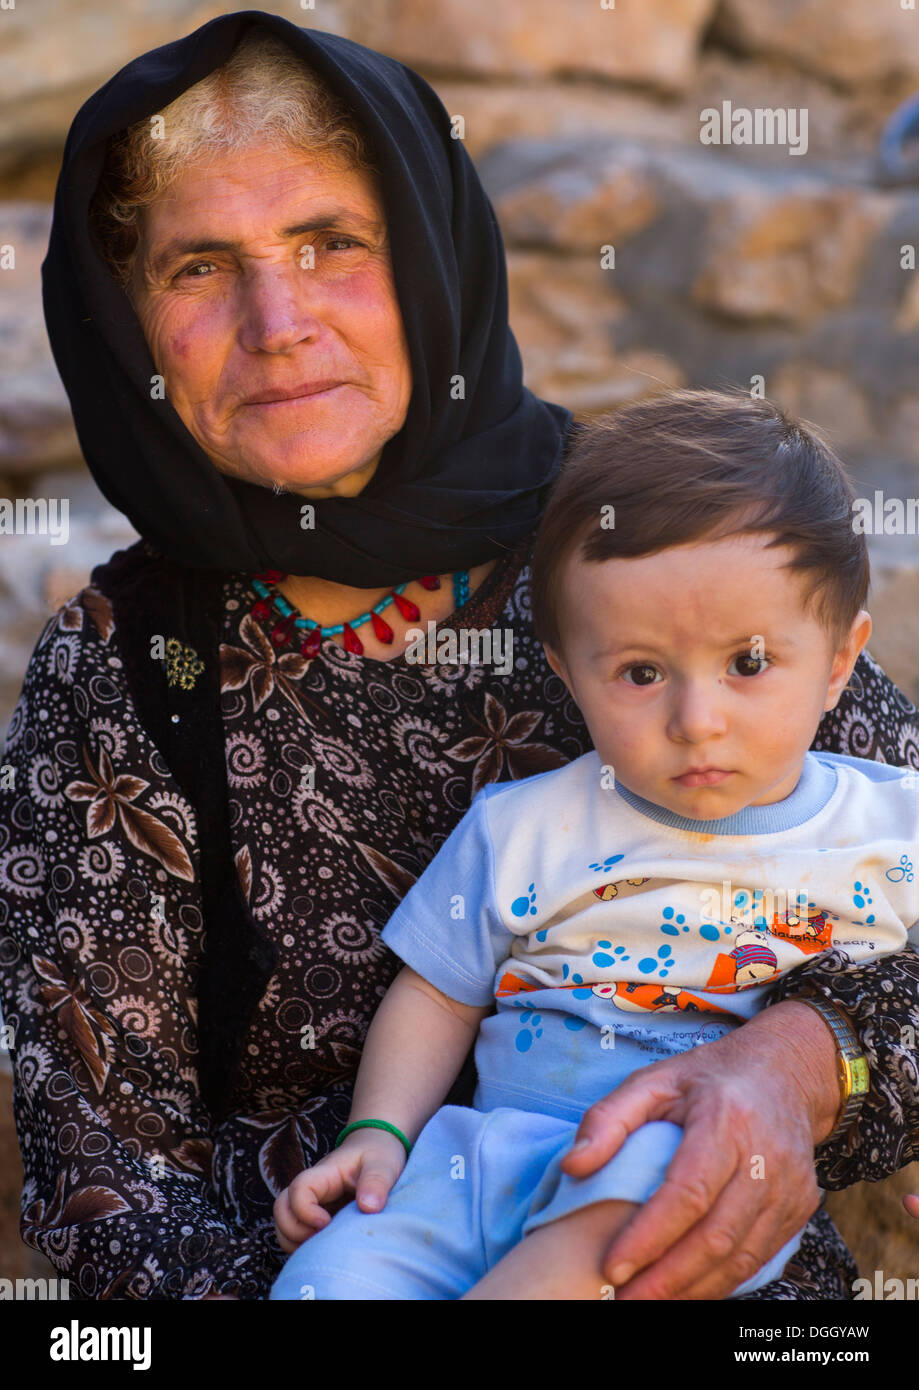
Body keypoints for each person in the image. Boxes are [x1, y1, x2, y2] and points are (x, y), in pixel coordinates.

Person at [0, 12, 917, 1302]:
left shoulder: (647, 548)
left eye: (331, 244)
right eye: (200, 267)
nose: (277, 319)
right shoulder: (121, 672)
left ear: (431, 258)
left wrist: (807, 1062)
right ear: (128, 322)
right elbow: (103, 1172)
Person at [268, 388, 919, 1300]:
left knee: (654, 1180)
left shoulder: (892, 828)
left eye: (747, 664)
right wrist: (377, 1137)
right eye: (641, 672)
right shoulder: (523, 825)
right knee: (323, 1279)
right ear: (570, 668)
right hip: (478, 1169)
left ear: (840, 662)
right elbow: (436, 996)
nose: (698, 721)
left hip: (687, 1166)